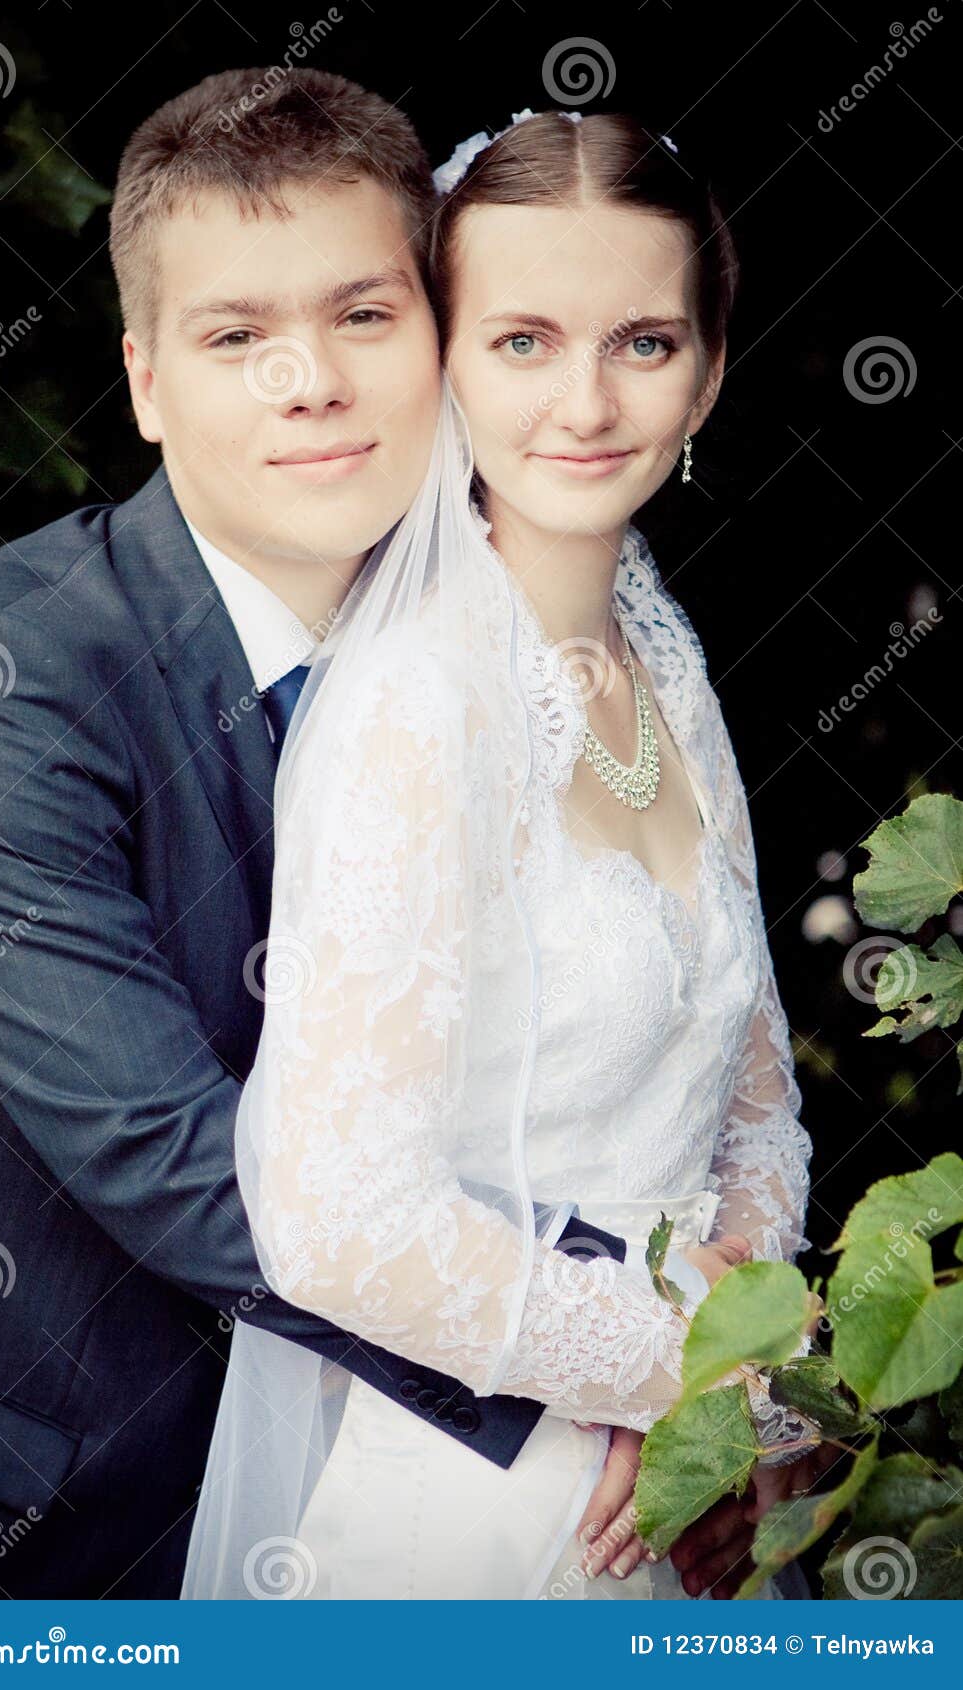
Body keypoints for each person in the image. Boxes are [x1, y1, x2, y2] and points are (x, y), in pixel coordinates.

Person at [0, 71, 625, 1599]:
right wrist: (619, 1372)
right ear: (149, 380)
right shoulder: (6, 675)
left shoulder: (532, 648)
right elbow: (173, 1160)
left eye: (364, 315)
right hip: (49, 1510)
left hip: (426, 1504)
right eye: (237, 337)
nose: (311, 382)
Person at [183, 108, 816, 1602]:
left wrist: (747, 1400)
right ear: (446, 363)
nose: (586, 401)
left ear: (710, 372)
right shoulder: (414, 703)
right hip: (475, 1509)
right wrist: (685, 1372)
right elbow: (336, 1224)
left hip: (687, 1493)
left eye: (644, 343)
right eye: (523, 340)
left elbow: (758, 1105)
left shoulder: (662, 659)